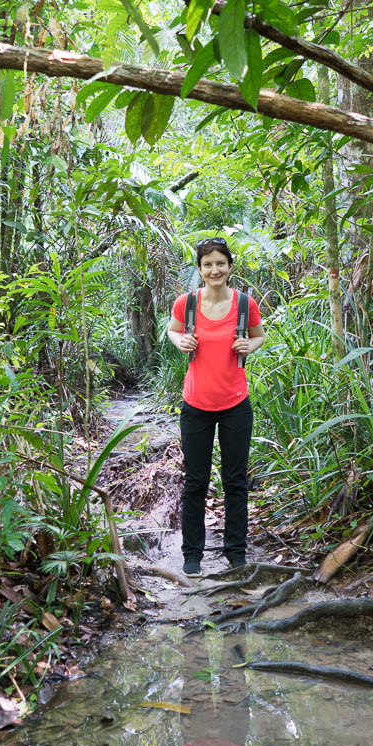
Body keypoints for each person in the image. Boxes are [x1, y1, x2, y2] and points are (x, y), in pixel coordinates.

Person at [166, 236, 264, 576]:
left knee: (235, 480)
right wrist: (182, 341)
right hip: (195, 405)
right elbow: (173, 331)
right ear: (200, 269)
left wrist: (249, 345)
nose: (214, 269)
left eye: (220, 263)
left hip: (236, 404)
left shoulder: (244, 304)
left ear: (230, 267)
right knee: (195, 481)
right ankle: (192, 555)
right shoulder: (186, 304)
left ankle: (235, 553)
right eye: (208, 264)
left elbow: (258, 335)